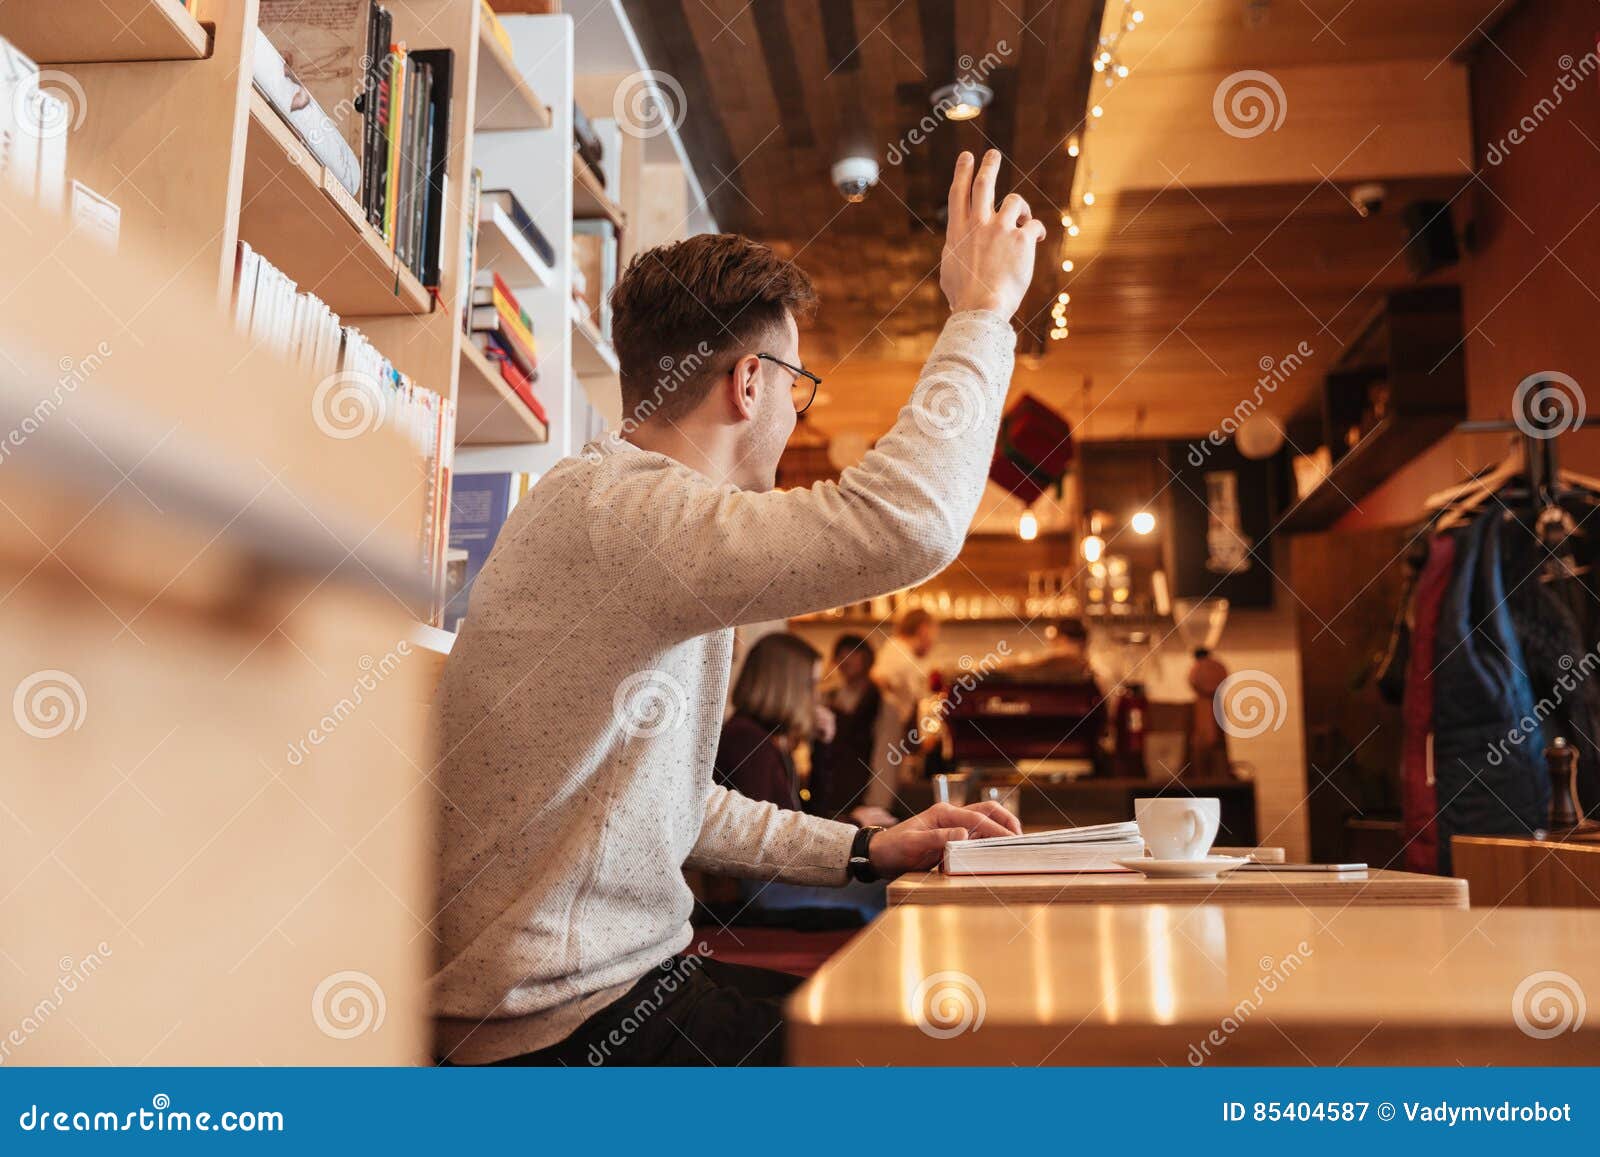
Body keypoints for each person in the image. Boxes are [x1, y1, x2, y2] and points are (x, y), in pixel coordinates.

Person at [429, 149, 1043, 1066]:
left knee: (911, 1028)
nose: (796, 416)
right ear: (749, 382)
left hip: (622, 993)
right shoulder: (626, 513)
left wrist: (866, 851)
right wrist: (982, 313)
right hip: (565, 1037)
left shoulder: (620, 516)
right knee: (947, 1055)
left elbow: (672, 804)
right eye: (797, 387)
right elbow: (908, 523)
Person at [714, 632, 885, 921]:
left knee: (889, 883)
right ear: (785, 686)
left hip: (781, 878)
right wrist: (857, 824)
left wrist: (822, 747)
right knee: (888, 890)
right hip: (766, 888)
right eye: (810, 685)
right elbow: (776, 839)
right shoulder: (746, 739)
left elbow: (809, 815)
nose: (815, 696)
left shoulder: (768, 739)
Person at [867, 608, 941, 808]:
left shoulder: (894, 650)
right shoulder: (901, 656)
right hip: (885, 742)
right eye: (934, 634)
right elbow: (879, 682)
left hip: (887, 743)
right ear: (924, 630)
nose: (934, 642)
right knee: (880, 799)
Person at [808, 634, 884, 823]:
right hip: (828, 793)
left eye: (853, 654)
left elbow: (885, 757)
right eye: (841, 655)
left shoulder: (882, 702)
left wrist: (876, 805)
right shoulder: (829, 697)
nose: (846, 660)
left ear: (867, 659)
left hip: (864, 797)